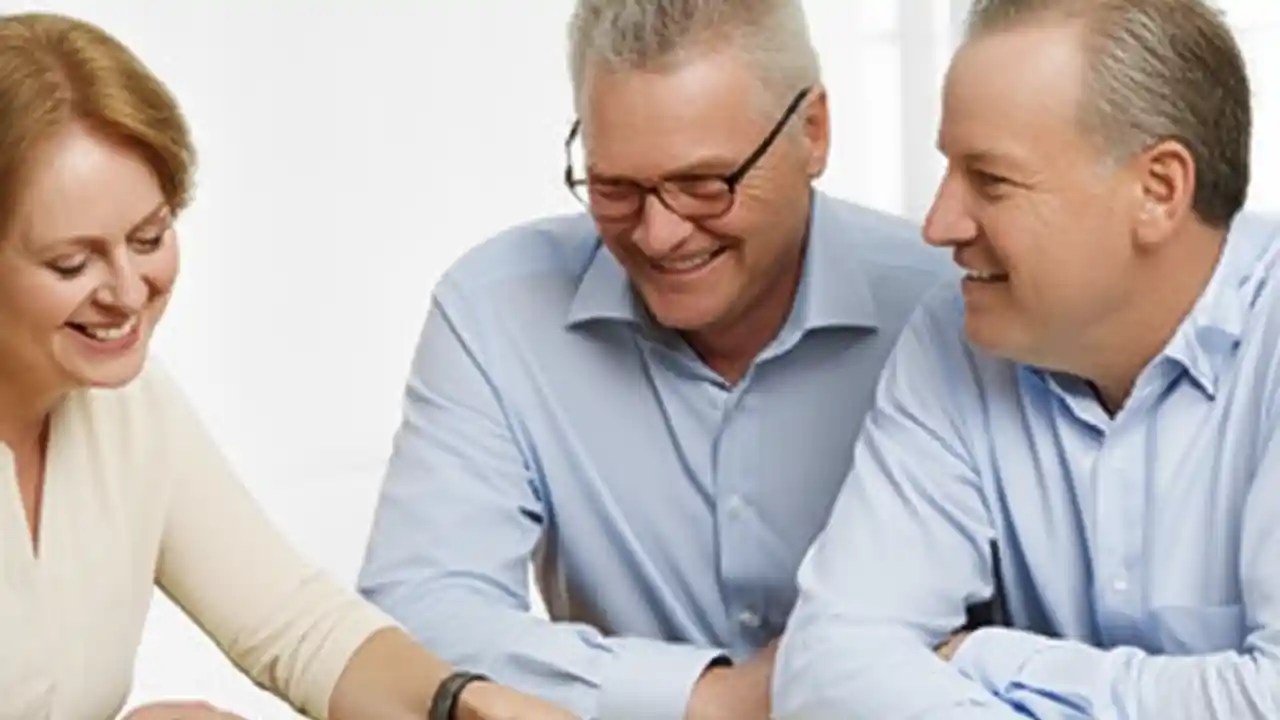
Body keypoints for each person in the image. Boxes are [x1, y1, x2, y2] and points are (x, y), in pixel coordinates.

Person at [355, 1, 950, 718]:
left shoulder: (951, 310)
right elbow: (414, 618)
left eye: (706, 185)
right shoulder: (495, 310)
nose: (661, 235)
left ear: (813, 132)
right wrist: (712, 699)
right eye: (616, 188)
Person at [0, 12, 574, 720]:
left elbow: (295, 625)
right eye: (72, 262)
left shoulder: (128, 409)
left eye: (149, 237)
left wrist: (460, 701)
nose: (126, 291)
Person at [773, 1, 1280, 718]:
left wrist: (989, 656)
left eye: (992, 180)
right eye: (949, 170)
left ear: (1159, 190)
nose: (939, 224)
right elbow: (826, 669)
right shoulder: (957, 335)